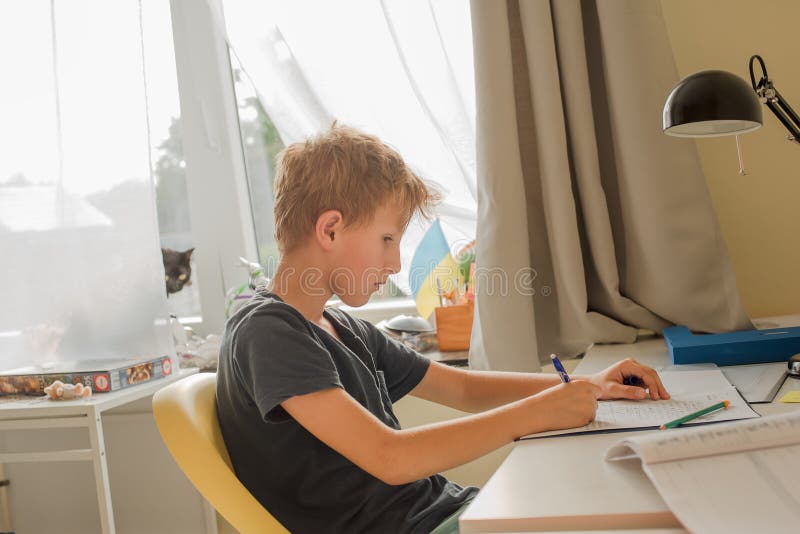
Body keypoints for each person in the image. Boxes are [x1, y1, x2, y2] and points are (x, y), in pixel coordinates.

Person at [215, 124, 670, 534]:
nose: (394, 263)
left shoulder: (341, 327)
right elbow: (391, 458)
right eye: (387, 239)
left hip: (446, 513)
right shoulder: (267, 333)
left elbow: (465, 390)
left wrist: (588, 384)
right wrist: (539, 413)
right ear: (330, 230)